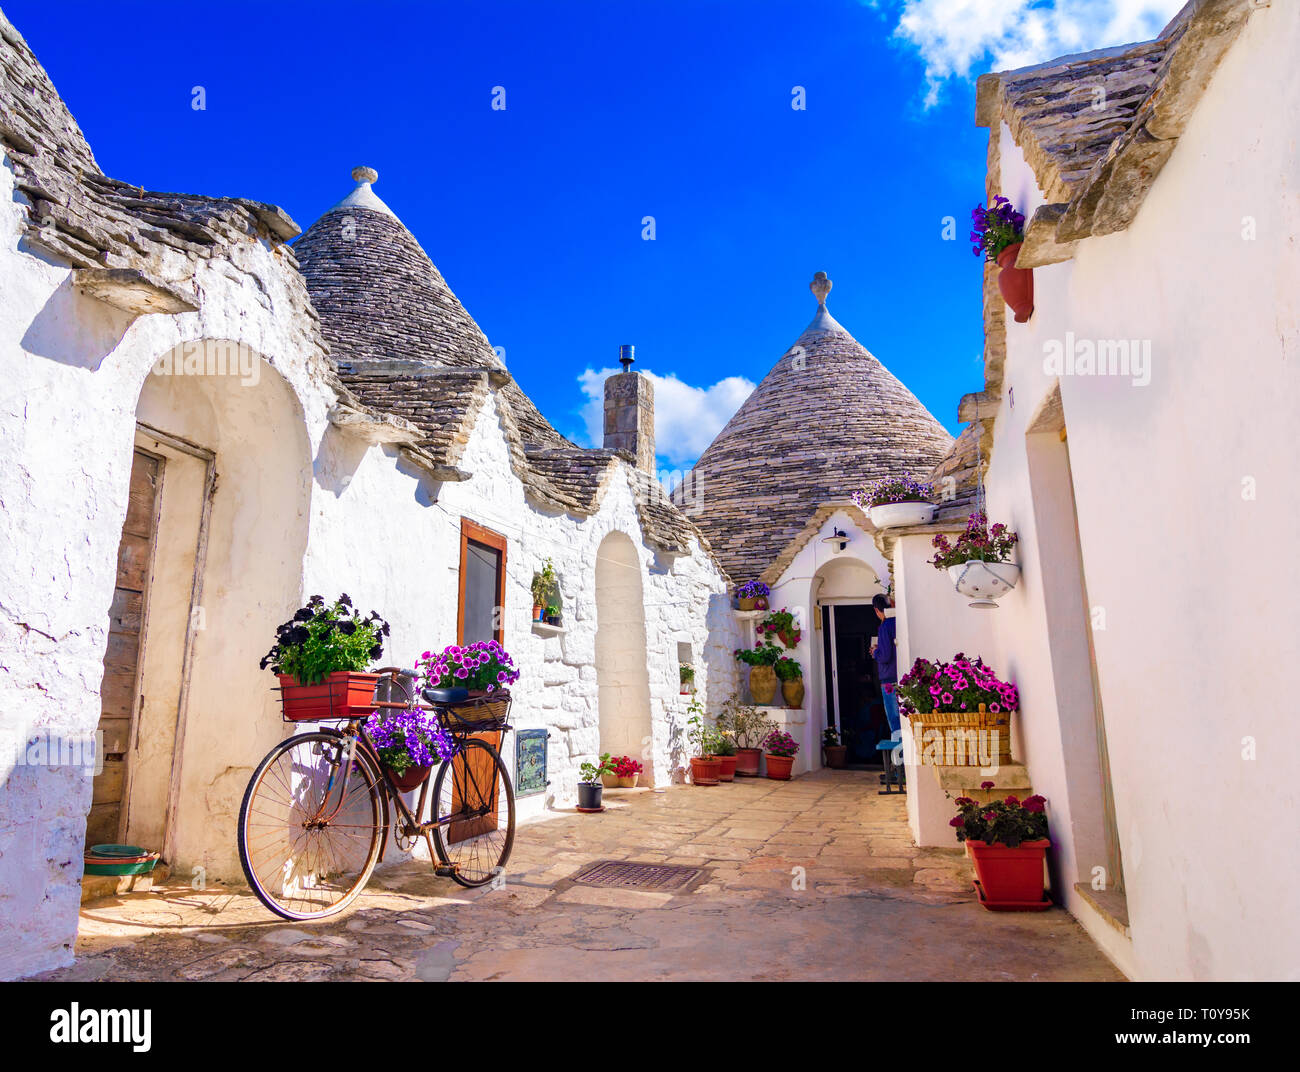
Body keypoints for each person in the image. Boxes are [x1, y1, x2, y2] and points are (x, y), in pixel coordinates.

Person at [871, 593, 900, 733]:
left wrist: (875, 652)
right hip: (900, 675)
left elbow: (885, 656)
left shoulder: (885, 626)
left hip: (889, 678)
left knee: (894, 719)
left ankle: (900, 750)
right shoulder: (898, 622)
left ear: (876, 610)